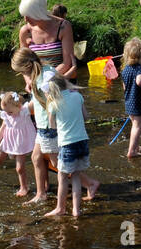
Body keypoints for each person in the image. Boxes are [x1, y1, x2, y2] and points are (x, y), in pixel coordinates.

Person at [42, 74, 99, 218]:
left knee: (62, 177)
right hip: (83, 141)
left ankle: (60, 208)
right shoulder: (77, 96)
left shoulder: (53, 103)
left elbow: (52, 126)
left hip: (67, 144)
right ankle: (76, 210)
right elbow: (86, 117)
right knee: (76, 176)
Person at [12, 48, 55, 203]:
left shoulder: (39, 81)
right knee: (37, 157)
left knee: (57, 163)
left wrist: (21, 110)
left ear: (26, 68)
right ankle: (41, 193)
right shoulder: (47, 71)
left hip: (47, 127)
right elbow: (37, 104)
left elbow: (41, 106)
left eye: (22, 73)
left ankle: (89, 183)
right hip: (47, 126)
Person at [0, 90, 36, 197]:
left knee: (19, 168)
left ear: (19, 106)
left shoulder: (24, 112)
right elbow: (3, 127)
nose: (8, 114)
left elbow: (35, 102)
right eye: (6, 112)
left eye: (10, 112)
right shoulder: (7, 114)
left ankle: (24, 187)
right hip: (8, 140)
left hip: (20, 142)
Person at [17, 0, 76, 78]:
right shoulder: (25, 31)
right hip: (38, 82)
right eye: (24, 15)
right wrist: (29, 81)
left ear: (39, 13)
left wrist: (46, 80)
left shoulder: (63, 27)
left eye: (29, 15)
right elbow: (24, 63)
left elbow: (67, 62)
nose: (26, 20)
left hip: (63, 80)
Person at [120, 37, 141, 157]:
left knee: (134, 125)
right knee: (137, 127)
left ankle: (136, 147)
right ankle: (131, 151)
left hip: (129, 101)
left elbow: (124, 87)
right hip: (138, 102)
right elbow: (139, 82)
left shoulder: (125, 69)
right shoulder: (139, 68)